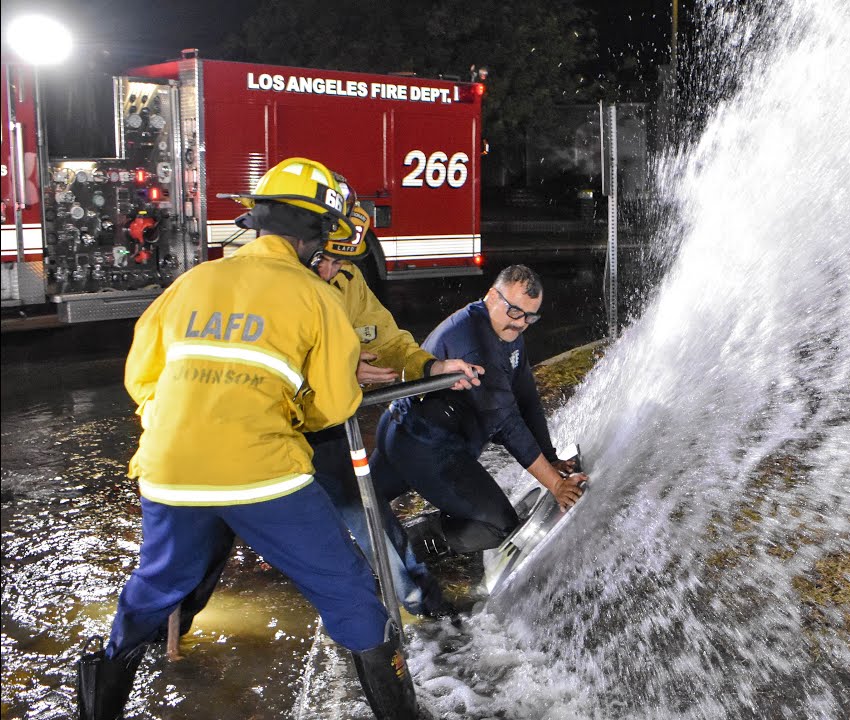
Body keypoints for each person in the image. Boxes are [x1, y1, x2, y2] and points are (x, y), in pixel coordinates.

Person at [74, 158, 419, 720]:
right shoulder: (317, 298)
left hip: (169, 473)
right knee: (351, 592)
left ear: (257, 220)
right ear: (318, 234)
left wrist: (189, 421)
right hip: (263, 475)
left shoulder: (193, 281)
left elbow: (141, 377)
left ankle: (100, 699)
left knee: (157, 585)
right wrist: (282, 411)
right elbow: (333, 406)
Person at [306, 183, 481, 616]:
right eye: (323, 259)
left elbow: (384, 339)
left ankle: (416, 603)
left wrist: (429, 368)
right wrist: (340, 368)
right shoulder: (277, 286)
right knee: (204, 543)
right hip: (265, 433)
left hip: (321, 421)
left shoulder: (347, 281)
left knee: (364, 508)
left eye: (341, 260)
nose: (331, 271)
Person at [371, 265, 587, 557]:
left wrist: (549, 457)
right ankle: (415, 541)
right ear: (492, 296)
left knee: (365, 503)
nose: (520, 323)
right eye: (514, 312)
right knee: (498, 527)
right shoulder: (473, 341)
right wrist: (555, 485)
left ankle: (375, 549)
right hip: (422, 444)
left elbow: (526, 398)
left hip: (408, 431)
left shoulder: (508, 331)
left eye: (529, 317)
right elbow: (506, 422)